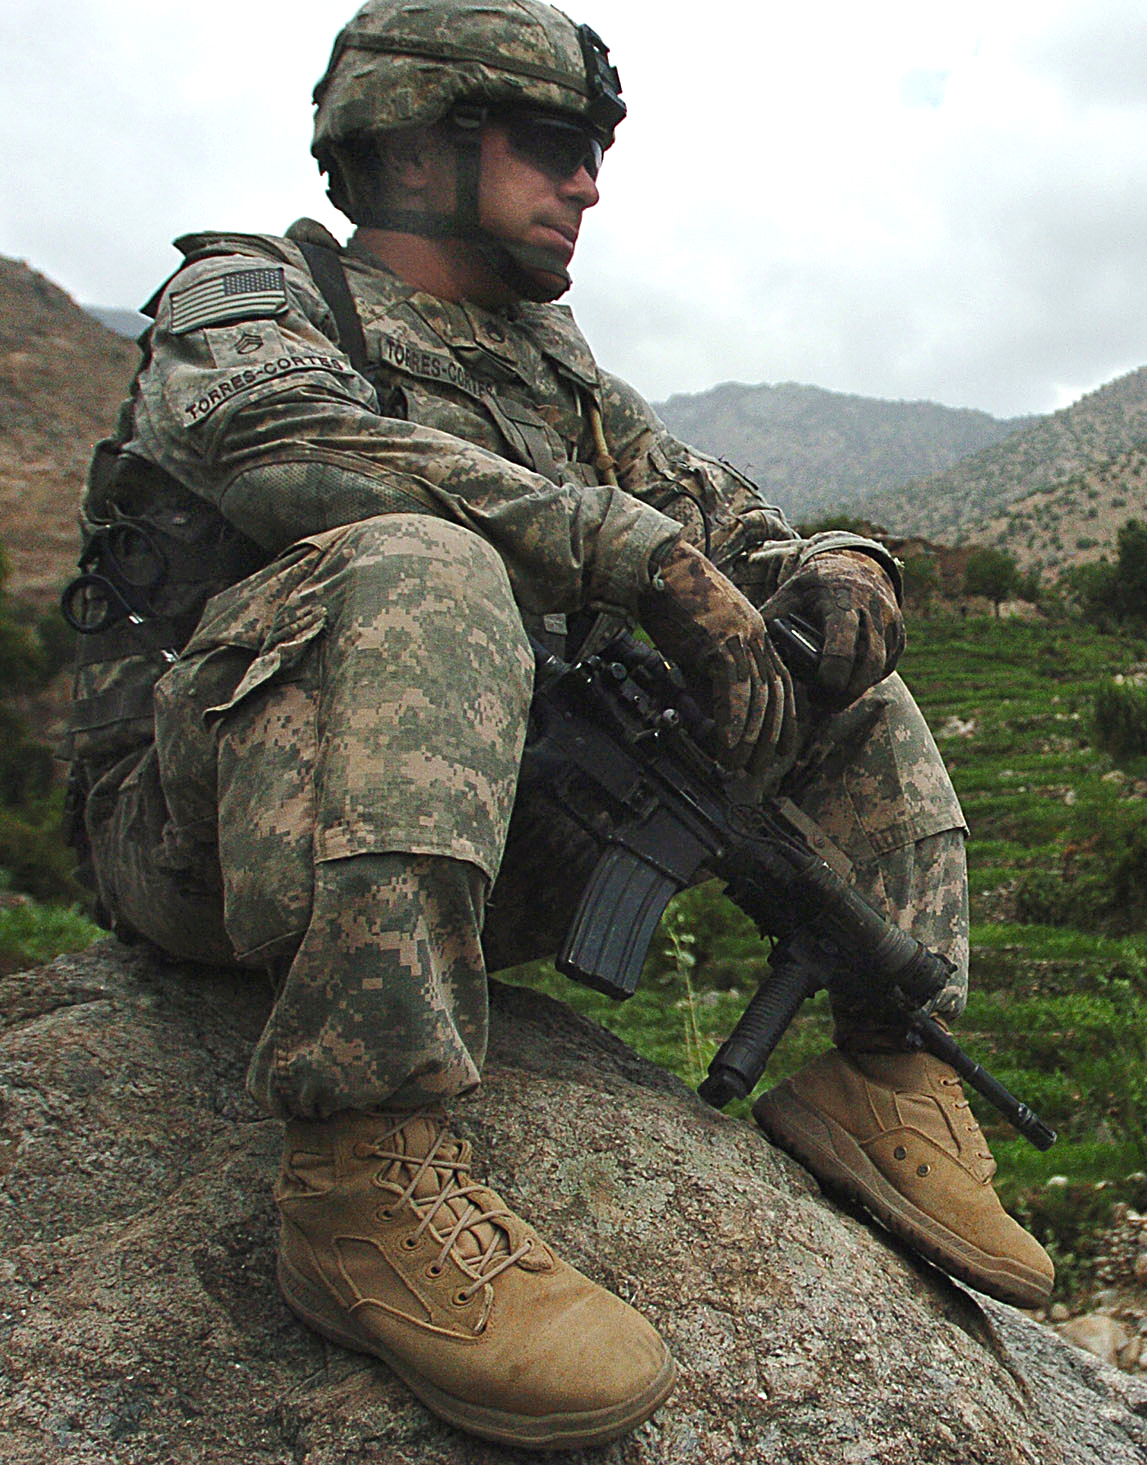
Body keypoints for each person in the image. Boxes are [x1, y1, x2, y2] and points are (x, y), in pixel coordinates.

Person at [61, 0, 1051, 1449]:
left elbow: (718, 512)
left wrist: (828, 568)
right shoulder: (254, 296)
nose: (589, 181)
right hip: (211, 827)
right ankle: (363, 1171)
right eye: (553, 144)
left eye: (594, 151)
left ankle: (886, 1070)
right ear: (414, 139)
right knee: (426, 562)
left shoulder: (557, 372)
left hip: (464, 827)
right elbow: (284, 454)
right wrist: (623, 551)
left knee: (821, 655)